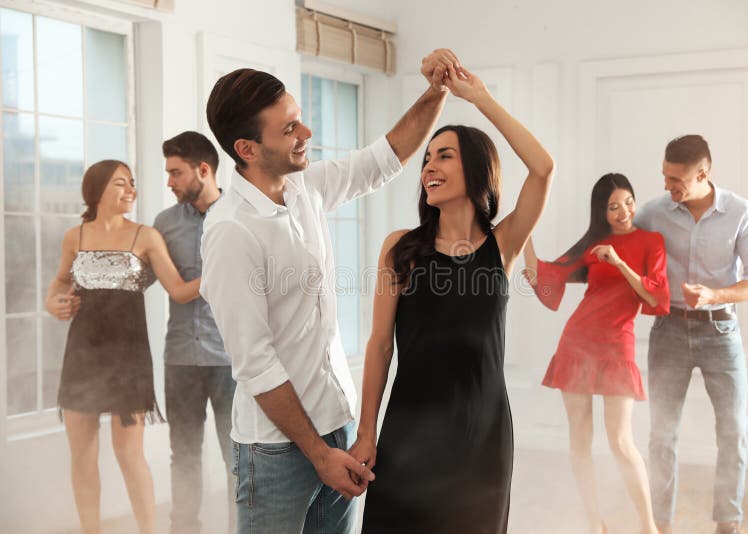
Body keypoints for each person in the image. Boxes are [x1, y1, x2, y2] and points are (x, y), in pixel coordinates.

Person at [199, 49, 457, 534]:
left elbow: (384, 159)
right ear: (247, 149)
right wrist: (318, 454)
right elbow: (255, 362)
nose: (306, 133)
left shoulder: (304, 188)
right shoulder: (231, 231)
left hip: (336, 426)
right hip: (276, 451)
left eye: (299, 118)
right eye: (289, 129)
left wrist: (437, 89)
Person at [355, 63, 555, 534]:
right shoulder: (400, 248)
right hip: (408, 434)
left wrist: (479, 98)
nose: (429, 167)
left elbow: (543, 168)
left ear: (477, 167)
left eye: (444, 156)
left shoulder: (503, 246)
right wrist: (366, 432)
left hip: (481, 437)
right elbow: (380, 345)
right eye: (426, 159)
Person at [46, 160, 201, 534]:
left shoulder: (146, 237)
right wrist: (52, 303)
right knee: (82, 456)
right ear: (97, 190)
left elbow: (179, 291)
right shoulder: (74, 237)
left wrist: (219, 272)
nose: (131, 189)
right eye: (121, 183)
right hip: (82, 357)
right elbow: (60, 283)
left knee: (129, 454)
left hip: (128, 359)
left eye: (132, 182)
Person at [635, 135, 748, 534]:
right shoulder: (652, 213)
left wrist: (715, 295)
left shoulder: (741, 213)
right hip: (668, 331)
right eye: (664, 176)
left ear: (703, 174)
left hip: (721, 331)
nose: (667, 186)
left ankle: (727, 523)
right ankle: (659, 525)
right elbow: (616, 246)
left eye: (675, 179)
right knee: (662, 434)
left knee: (734, 429)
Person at [523, 173, 669, 534]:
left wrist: (619, 263)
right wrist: (523, 232)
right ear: (601, 211)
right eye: (613, 207)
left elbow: (654, 294)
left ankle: (648, 526)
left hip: (618, 345)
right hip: (577, 343)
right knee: (580, 440)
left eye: (628, 202)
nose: (624, 212)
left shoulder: (651, 242)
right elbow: (547, 275)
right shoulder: (593, 244)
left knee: (621, 441)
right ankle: (594, 523)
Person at [154, 131, 235, 534]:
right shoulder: (164, 224)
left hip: (232, 360)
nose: (169, 181)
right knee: (183, 456)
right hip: (181, 358)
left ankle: (243, 528)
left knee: (238, 456)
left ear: (204, 169)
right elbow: (142, 276)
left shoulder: (240, 216)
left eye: (176, 172)